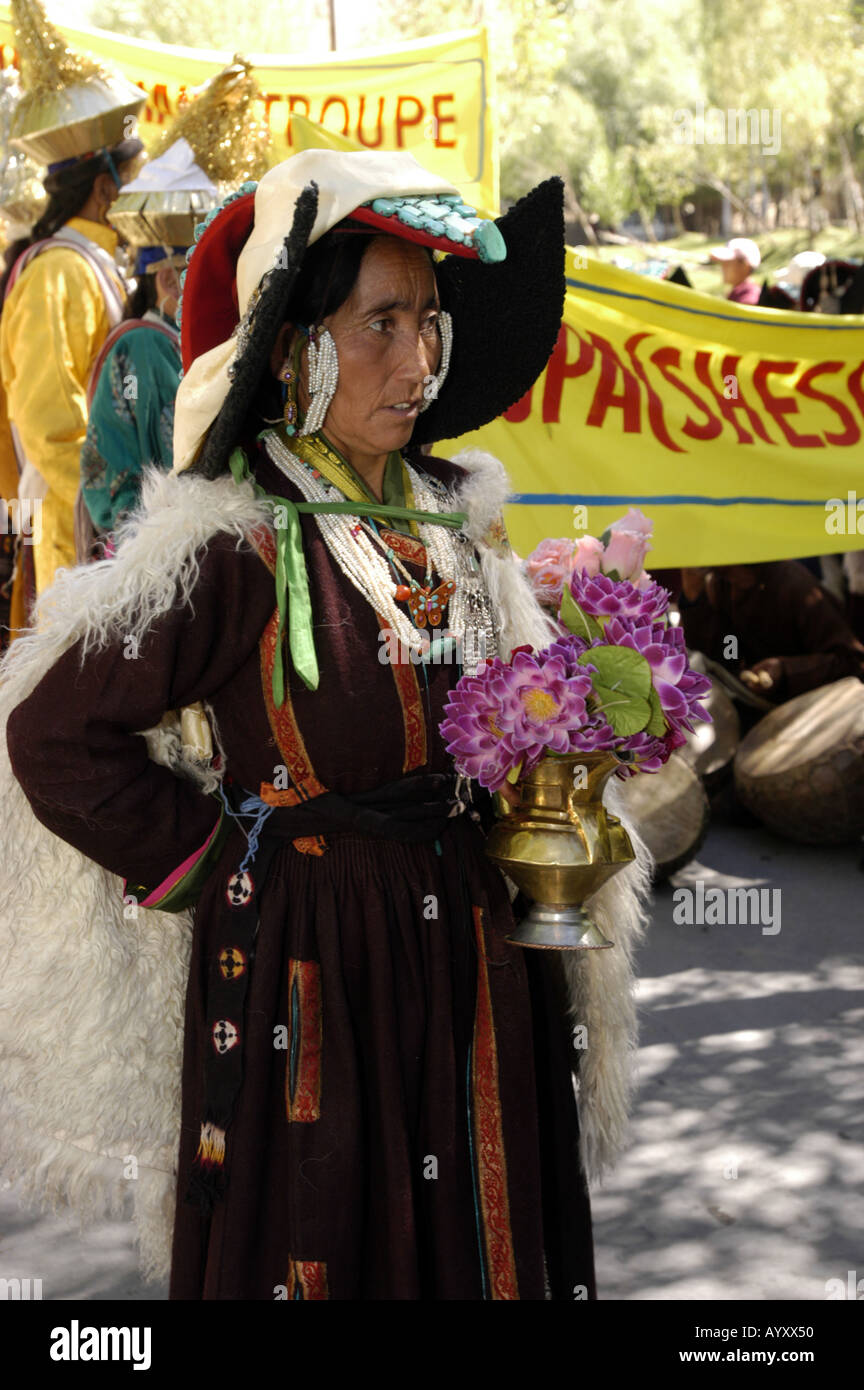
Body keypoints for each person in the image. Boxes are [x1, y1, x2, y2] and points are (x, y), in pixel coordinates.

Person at [3, 149, 649, 1301]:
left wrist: (590, 697)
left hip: (471, 951)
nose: (419, 360)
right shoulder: (235, 543)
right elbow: (57, 733)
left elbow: (510, 714)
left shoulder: (454, 522)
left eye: (431, 323)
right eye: (381, 324)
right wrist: (213, 859)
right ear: (299, 350)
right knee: (333, 1229)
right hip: (314, 963)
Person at [0, 0, 145, 599]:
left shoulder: (96, 264)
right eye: (134, 180)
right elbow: (48, 422)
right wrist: (112, 510)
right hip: (72, 528)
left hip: (100, 522)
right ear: (106, 187)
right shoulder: (58, 272)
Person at [678, 562, 864, 706]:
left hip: (818, 710)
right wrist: (693, 598)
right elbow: (728, 654)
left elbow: (852, 661)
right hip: (763, 709)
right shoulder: (722, 585)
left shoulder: (794, 585)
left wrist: (784, 670)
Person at [709, 236, 762, 304]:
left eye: (728, 262)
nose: (723, 267)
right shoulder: (736, 292)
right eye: (723, 262)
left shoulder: (749, 296)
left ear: (745, 266)